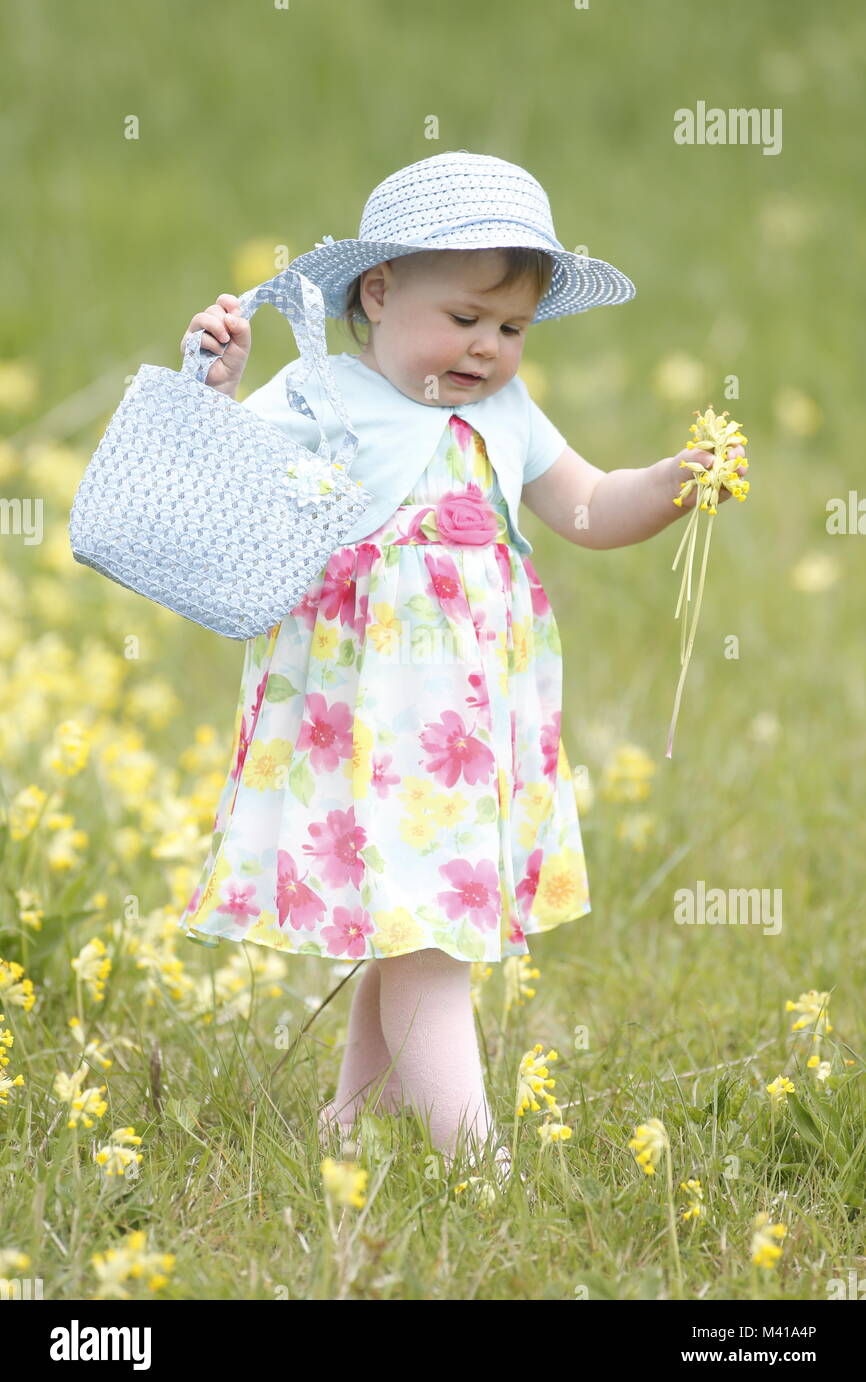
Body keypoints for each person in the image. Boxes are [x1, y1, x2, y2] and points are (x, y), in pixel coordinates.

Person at [175, 151, 746, 1183]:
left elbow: (584, 508)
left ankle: (352, 1123)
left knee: (419, 924)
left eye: (511, 329)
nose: (486, 347)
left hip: (466, 728)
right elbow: (227, 483)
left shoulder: (505, 417)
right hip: (366, 726)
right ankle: (475, 1168)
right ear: (380, 290)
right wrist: (219, 388)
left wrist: (668, 484)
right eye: (466, 317)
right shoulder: (319, 391)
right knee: (434, 941)